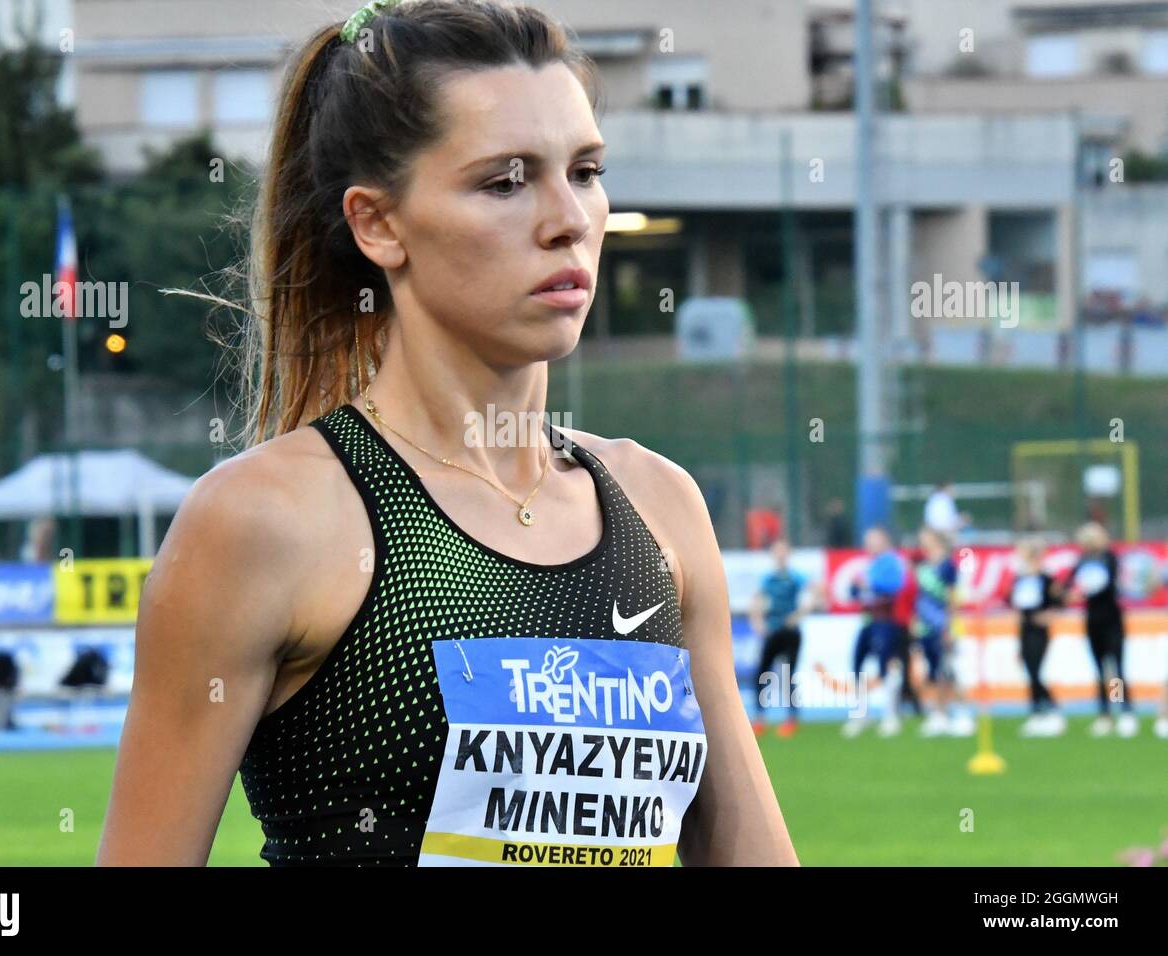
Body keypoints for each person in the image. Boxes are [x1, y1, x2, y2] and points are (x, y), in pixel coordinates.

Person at [98, 0, 797, 868]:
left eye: (585, 171)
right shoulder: (266, 521)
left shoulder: (662, 506)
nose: (568, 219)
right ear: (378, 223)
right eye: (505, 181)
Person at [1063, 523, 1136, 737]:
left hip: (1112, 619)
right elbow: (1069, 586)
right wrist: (1069, 594)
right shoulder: (1081, 561)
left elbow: (1104, 584)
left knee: (1116, 668)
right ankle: (1104, 714)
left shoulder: (1109, 558)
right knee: (1099, 669)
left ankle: (1124, 711)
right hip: (1093, 620)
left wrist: (1082, 592)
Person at [749, 539, 818, 739]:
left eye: (783, 552)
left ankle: (791, 719)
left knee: (788, 675)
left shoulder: (795, 576)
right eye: (777, 552)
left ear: (788, 554)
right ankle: (760, 718)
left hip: (790, 631)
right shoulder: (768, 578)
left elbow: (816, 591)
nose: (780, 555)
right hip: (772, 630)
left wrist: (798, 615)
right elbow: (757, 599)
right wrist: (757, 621)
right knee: (762, 673)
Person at [843, 527, 909, 738]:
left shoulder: (892, 562)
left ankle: (890, 715)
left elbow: (896, 586)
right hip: (869, 620)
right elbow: (854, 592)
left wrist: (869, 584)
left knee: (886, 666)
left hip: (885, 620)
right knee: (857, 664)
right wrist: (857, 587)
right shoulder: (868, 565)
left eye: (872, 540)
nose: (869, 545)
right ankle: (861, 714)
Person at [911, 527, 974, 737]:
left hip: (943, 625)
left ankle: (963, 712)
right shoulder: (922, 566)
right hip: (925, 626)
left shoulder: (947, 566)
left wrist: (949, 626)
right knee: (934, 671)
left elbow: (951, 598)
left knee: (947, 671)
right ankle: (940, 713)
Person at [1009, 536, 1065, 737]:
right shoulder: (1020, 578)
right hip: (1025, 628)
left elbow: (1059, 601)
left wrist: (1049, 616)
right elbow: (1016, 606)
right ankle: (1037, 712)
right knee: (1029, 670)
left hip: (1039, 630)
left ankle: (1051, 709)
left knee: (1036, 671)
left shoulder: (1045, 578)